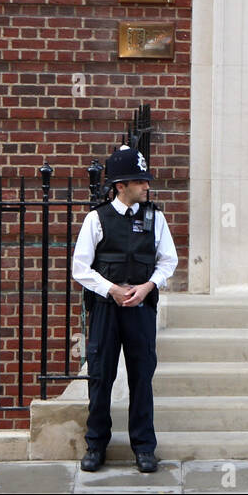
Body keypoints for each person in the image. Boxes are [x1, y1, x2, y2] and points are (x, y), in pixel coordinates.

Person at [71, 145, 177, 473]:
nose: (147, 186)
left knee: (141, 377)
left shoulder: (154, 218)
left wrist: (147, 287)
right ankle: (96, 445)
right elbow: (80, 268)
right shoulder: (96, 218)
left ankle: (144, 448)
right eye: (140, 181)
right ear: (121, 186)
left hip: (141, 310)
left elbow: (168, 261)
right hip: (106, 310)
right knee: (101, 376)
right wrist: (112, 289)